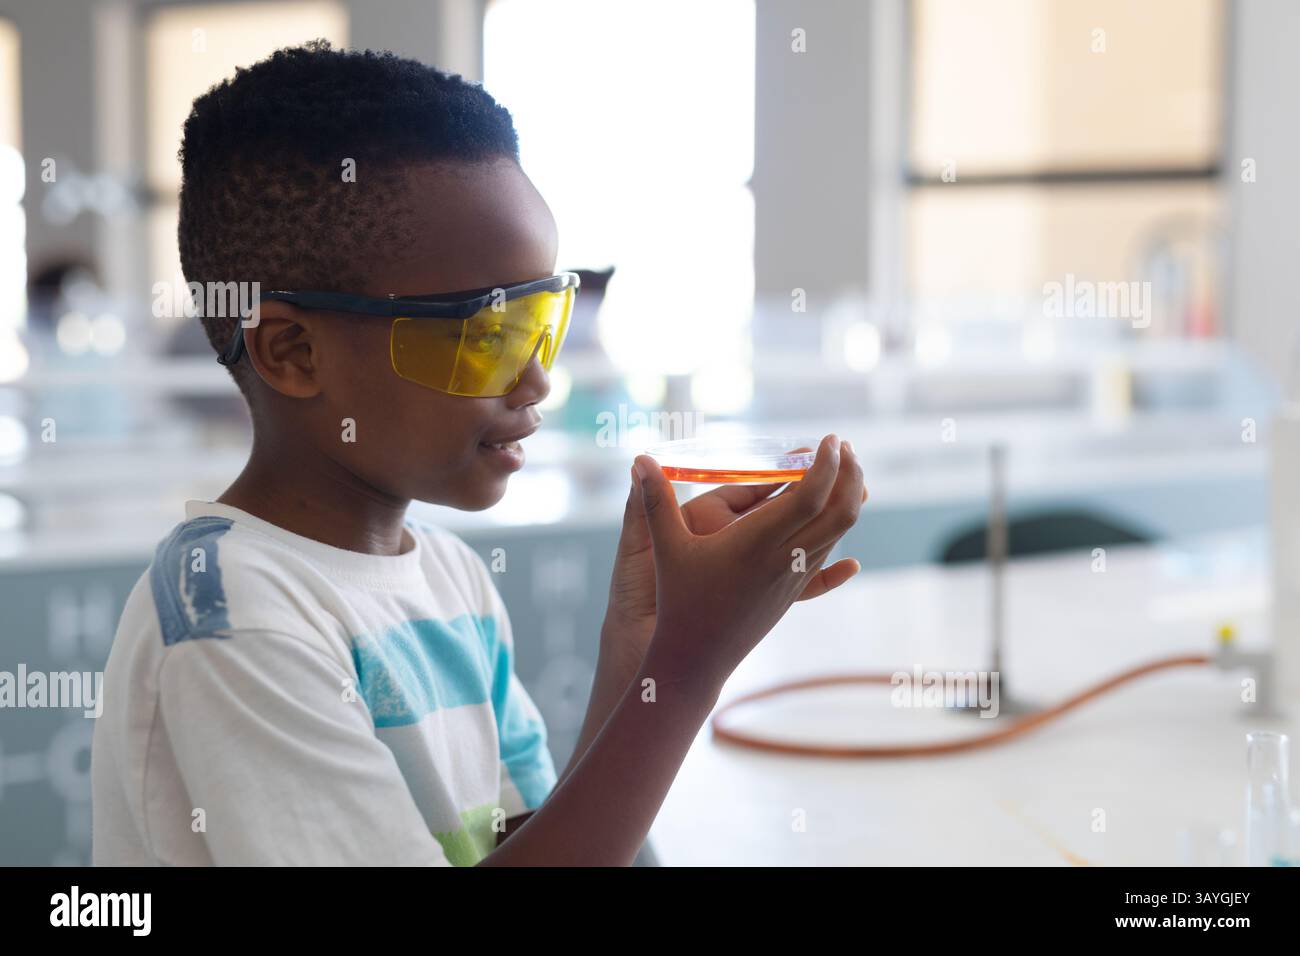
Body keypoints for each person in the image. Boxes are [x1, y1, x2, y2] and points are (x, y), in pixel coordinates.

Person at [91, 40, 866, 866]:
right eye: (484, 335)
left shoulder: (449, 576)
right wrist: (689, 667)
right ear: (293, 353)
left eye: (540, 324)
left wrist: (642, 649)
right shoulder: (233, 616)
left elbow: (532, 848)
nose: (536, 380)